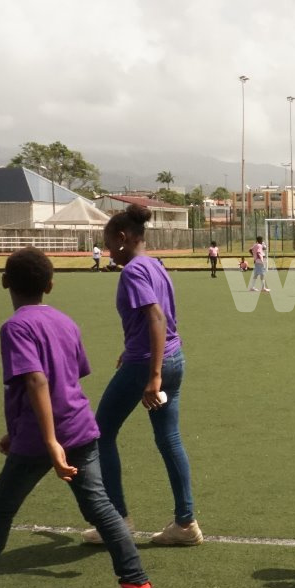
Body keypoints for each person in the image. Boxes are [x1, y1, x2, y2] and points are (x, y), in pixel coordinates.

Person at [0, 249, 162, 588]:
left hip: (42, 438)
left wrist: (48, 441)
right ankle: (137, 587)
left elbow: (36, 380)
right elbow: (72, 376)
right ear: (50, 285)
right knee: (101, 507)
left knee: (1, 510)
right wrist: (15, 430)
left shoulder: (15, 327)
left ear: (5, 281)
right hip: (80, 427)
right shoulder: (66, 322)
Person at [88, 202, 202, 547]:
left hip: (148, 365)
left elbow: (155, 317)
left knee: (100, 434)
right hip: (173, 358)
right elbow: (162, 318)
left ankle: (116, 519)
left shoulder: (134, 271)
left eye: (109, 244)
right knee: (169, 439)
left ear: (123, 238)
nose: (109, 252)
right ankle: (186, 523)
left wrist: (152, 375)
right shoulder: (156, 265)